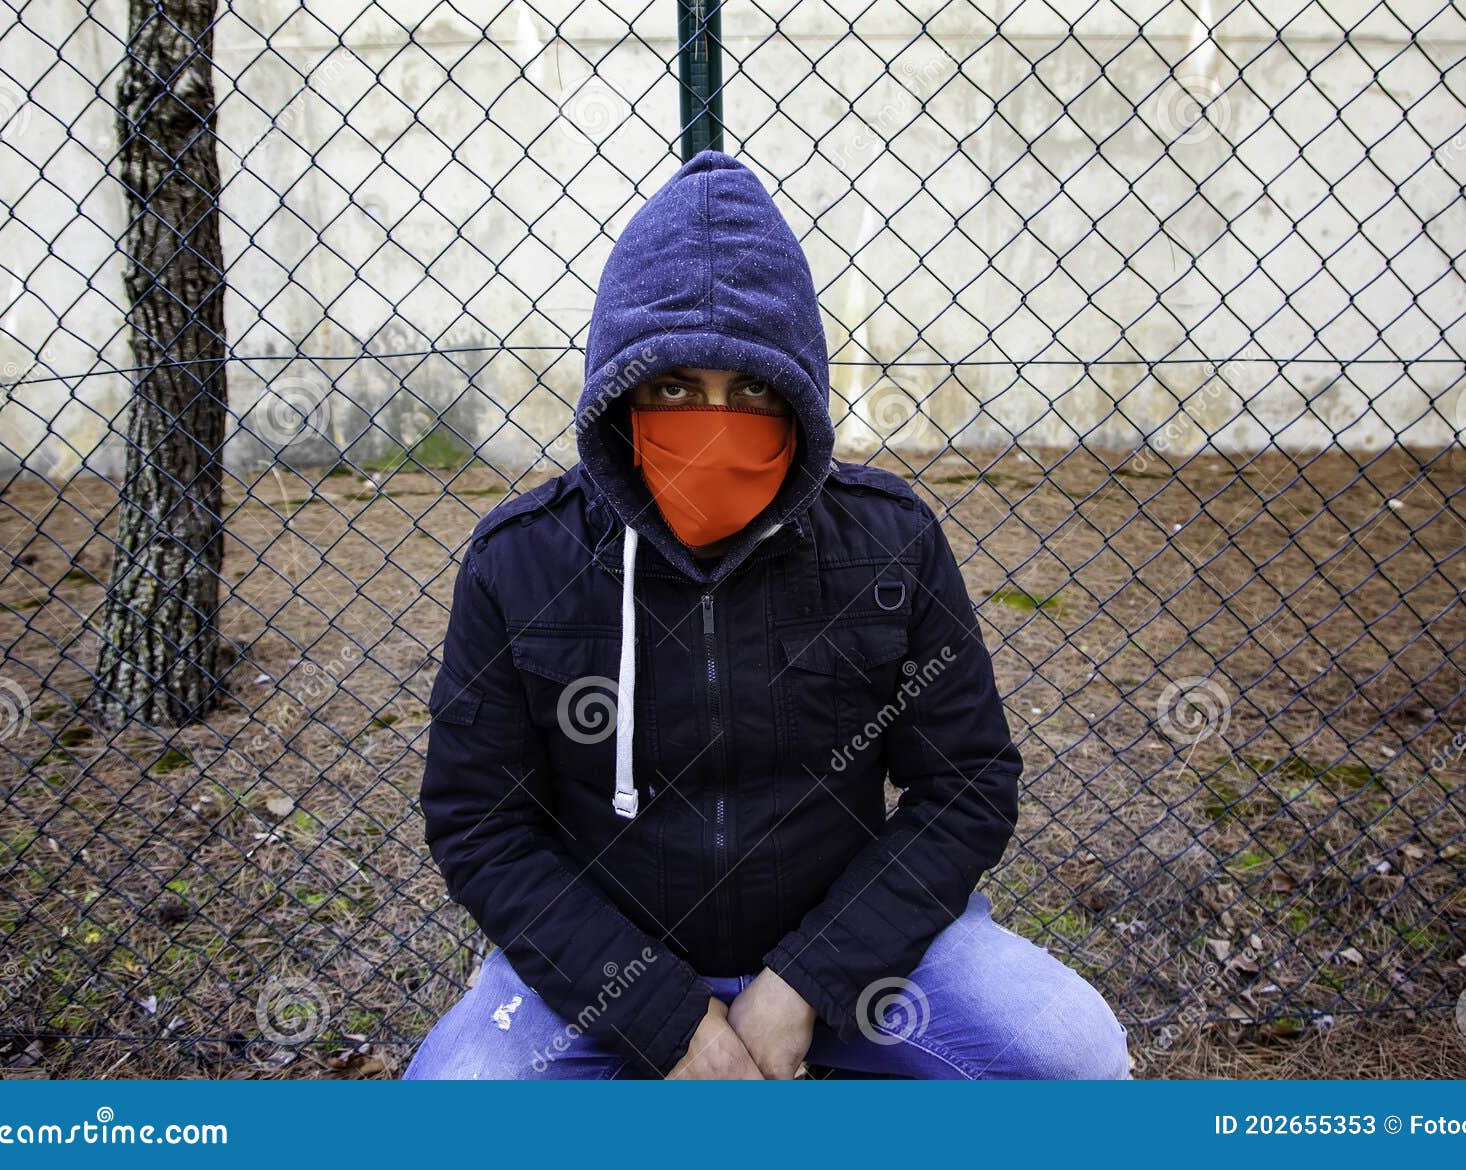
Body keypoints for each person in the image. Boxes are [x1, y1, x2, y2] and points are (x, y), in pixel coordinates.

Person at [404, 150, 1128, 1080]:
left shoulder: (887, 541)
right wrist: (662, 1017)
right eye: (673, 389)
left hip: (852, 957)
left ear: (799, 397)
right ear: (619, 395)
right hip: (602, 975)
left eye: (750, 392)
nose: (714, 423)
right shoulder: (524, 560)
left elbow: (966, 784)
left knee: (1075, 1059)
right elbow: (480, 822)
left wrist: (810, 980)